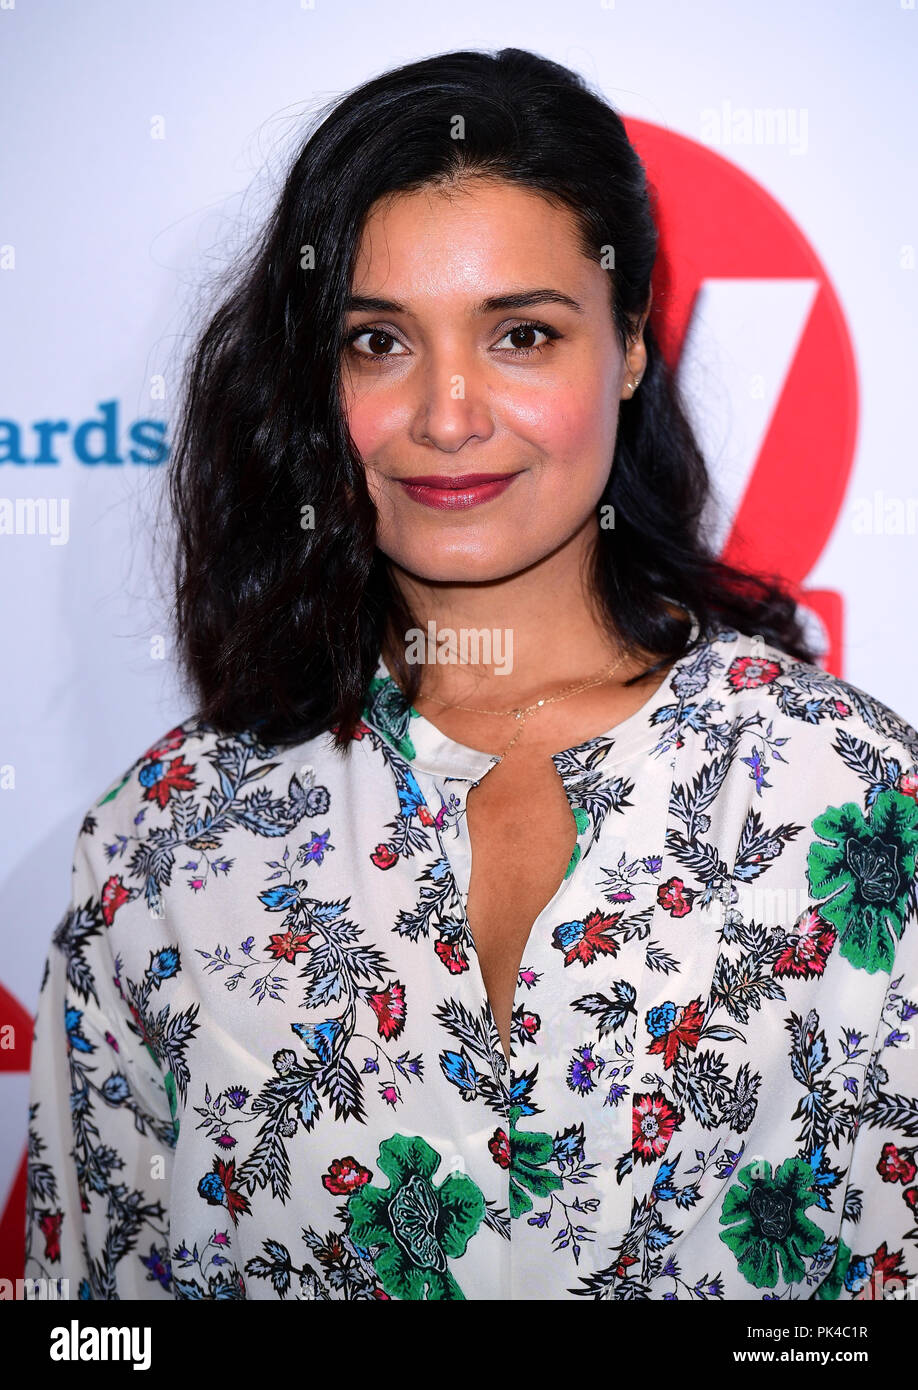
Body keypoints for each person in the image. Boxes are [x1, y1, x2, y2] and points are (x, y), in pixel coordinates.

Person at [26, 47, 918, 1303]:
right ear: (314, 376)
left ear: (628, 350)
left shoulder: (854, 798)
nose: (447, 415)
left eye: (521, 334)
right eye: (380, 341)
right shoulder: (167, 844)